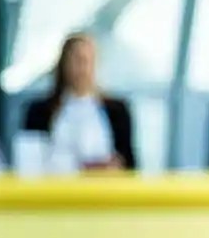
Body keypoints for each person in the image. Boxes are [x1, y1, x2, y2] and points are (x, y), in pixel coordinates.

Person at [23, 33, 135, 170]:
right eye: (77, 60)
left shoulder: (117, 110)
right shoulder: (39, 111)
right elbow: (30, 162)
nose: (83, 68)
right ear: (63, 64)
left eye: (87, 60)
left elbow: (130, 163)